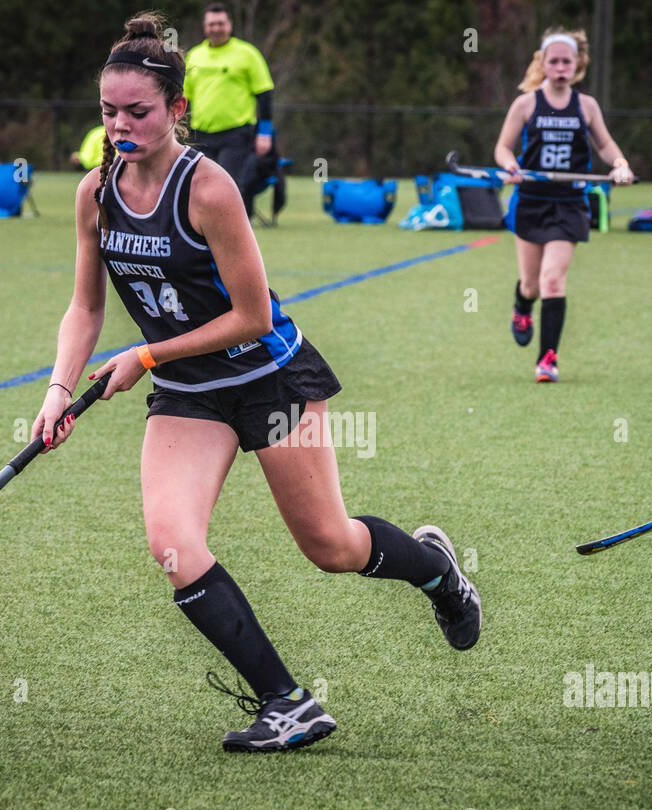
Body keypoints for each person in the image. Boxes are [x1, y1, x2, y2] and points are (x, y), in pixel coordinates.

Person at [32, 13, 481, 753]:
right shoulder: (96, 194)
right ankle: (287, 702)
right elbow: (85, 307)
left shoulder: (208, 191)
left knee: (331, 546)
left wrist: (143, 357)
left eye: (138, 112)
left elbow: (250, 314)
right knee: (172, 541)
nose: (120, 126)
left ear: (178, 110)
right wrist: (57, 388)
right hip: (189, 390)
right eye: (109, 111)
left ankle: (436, 571)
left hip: (268, 377)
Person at [493, 27, 634, 384]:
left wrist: (619, 165)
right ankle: (522, 306)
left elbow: (605, 146)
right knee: (532, 285)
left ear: (577, 65)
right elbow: (503, 148)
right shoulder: (526, 104)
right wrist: (511, 167)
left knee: (553, 279)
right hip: (531, 201)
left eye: (566, 61)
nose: (559, 67)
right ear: (542, 63)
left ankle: (547, 360)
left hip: (569, 203)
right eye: (553, 61)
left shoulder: (586, 106)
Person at [183, 2, 275, 215]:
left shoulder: (247, 53)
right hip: (202, 134)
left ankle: (237, 234)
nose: (216, 28)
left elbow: (265, 95)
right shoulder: (195, 56)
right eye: (212, 24)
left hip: (236, 134)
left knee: (229, 185)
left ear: (229, 25)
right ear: (205, 27)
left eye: (220, 23)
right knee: (198, 185)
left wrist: (265, 133)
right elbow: (184, 98)